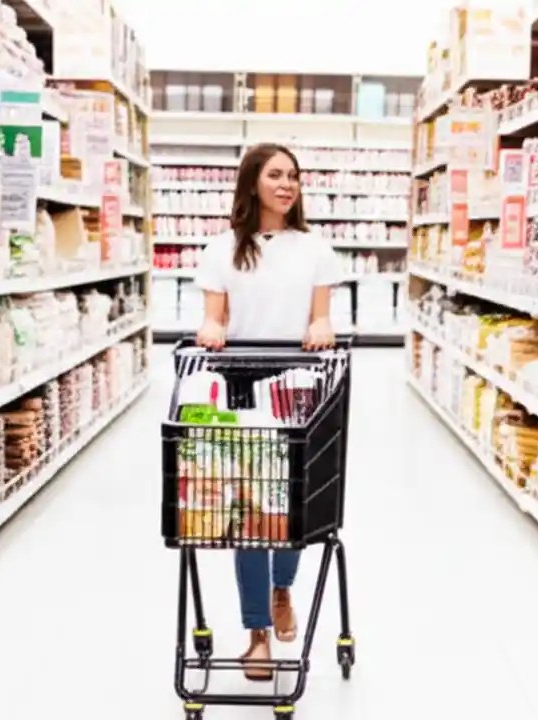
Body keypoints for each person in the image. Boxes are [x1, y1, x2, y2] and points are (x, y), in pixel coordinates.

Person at [193, 142, 341, 681]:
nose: (287, 184)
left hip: (300, 385)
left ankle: (283, 591)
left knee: (294, 507)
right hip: (241, 387)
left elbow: (320, 316)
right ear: (252, 180)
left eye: (294, 176)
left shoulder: (314, 249)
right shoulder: (223, 249)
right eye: (276, 174)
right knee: (251, 515)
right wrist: (213, 329)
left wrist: (321, 326)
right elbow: (215, 318)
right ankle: (256, 633)